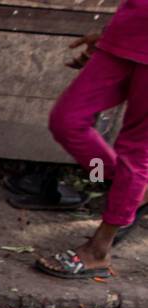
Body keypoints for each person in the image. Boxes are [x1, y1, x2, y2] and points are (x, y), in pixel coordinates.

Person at [36, 1, 148, 279]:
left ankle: (99, 249)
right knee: (67, 120)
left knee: (136, 151)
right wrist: (109, 32)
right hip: (126, 35)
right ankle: (131, 190)